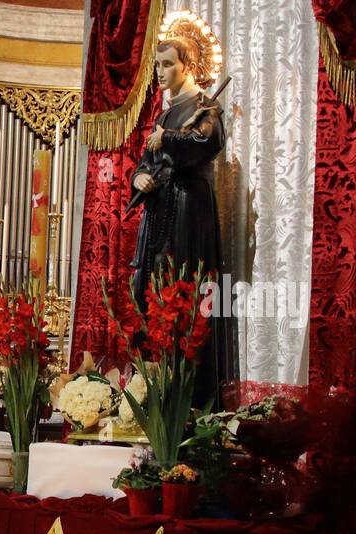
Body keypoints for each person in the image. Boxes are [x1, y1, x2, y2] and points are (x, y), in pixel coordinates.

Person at [129, 36, 228, 409]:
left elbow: (206, 140)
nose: (161, 73)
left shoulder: (204, 103)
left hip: (188, 209)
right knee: (153, 293)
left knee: (184, 292)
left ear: (186, 65)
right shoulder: (163, 113)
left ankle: (191, 402)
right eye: (157, 66)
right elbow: (146, 162)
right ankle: (157, 396)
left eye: (168, 64)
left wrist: (167, 139)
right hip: (158, 212)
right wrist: (140, 179)